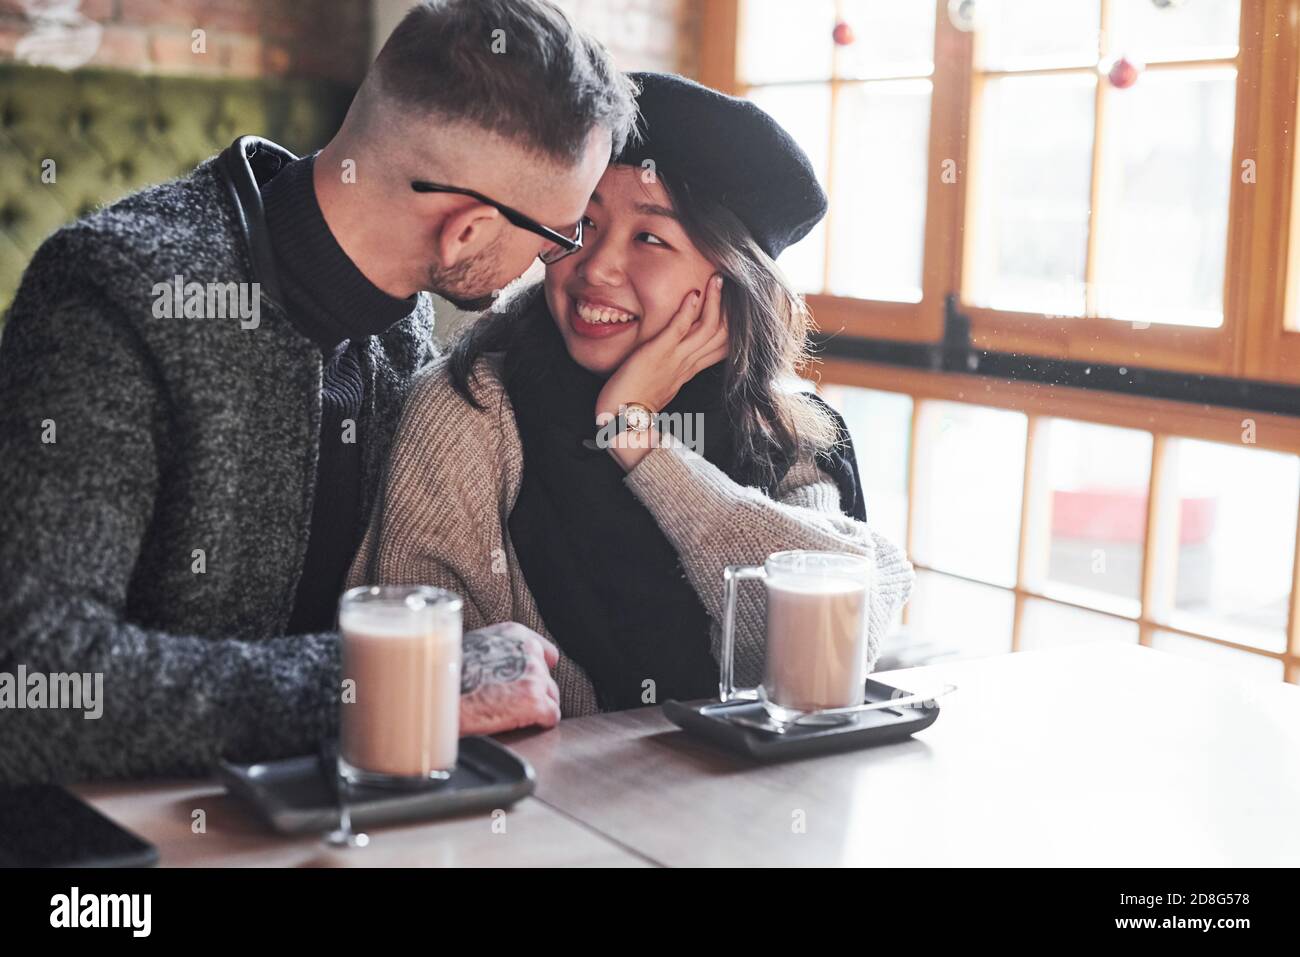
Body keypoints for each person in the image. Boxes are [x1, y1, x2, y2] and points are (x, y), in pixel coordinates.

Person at [0, 0, 637, 784]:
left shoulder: (398, 333)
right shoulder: (116, 293)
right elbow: (31, 677)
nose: (553, 262)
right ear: (465, 230)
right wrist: (387, 681)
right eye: (560, 234)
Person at [349, 72, 915, 714]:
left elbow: (824, 654)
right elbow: (419, 687)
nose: (597, 267)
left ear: (729, 281)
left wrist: (640, 442)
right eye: (581, 226)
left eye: (650, 237)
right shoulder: (471, 407)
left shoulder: (791, 428)